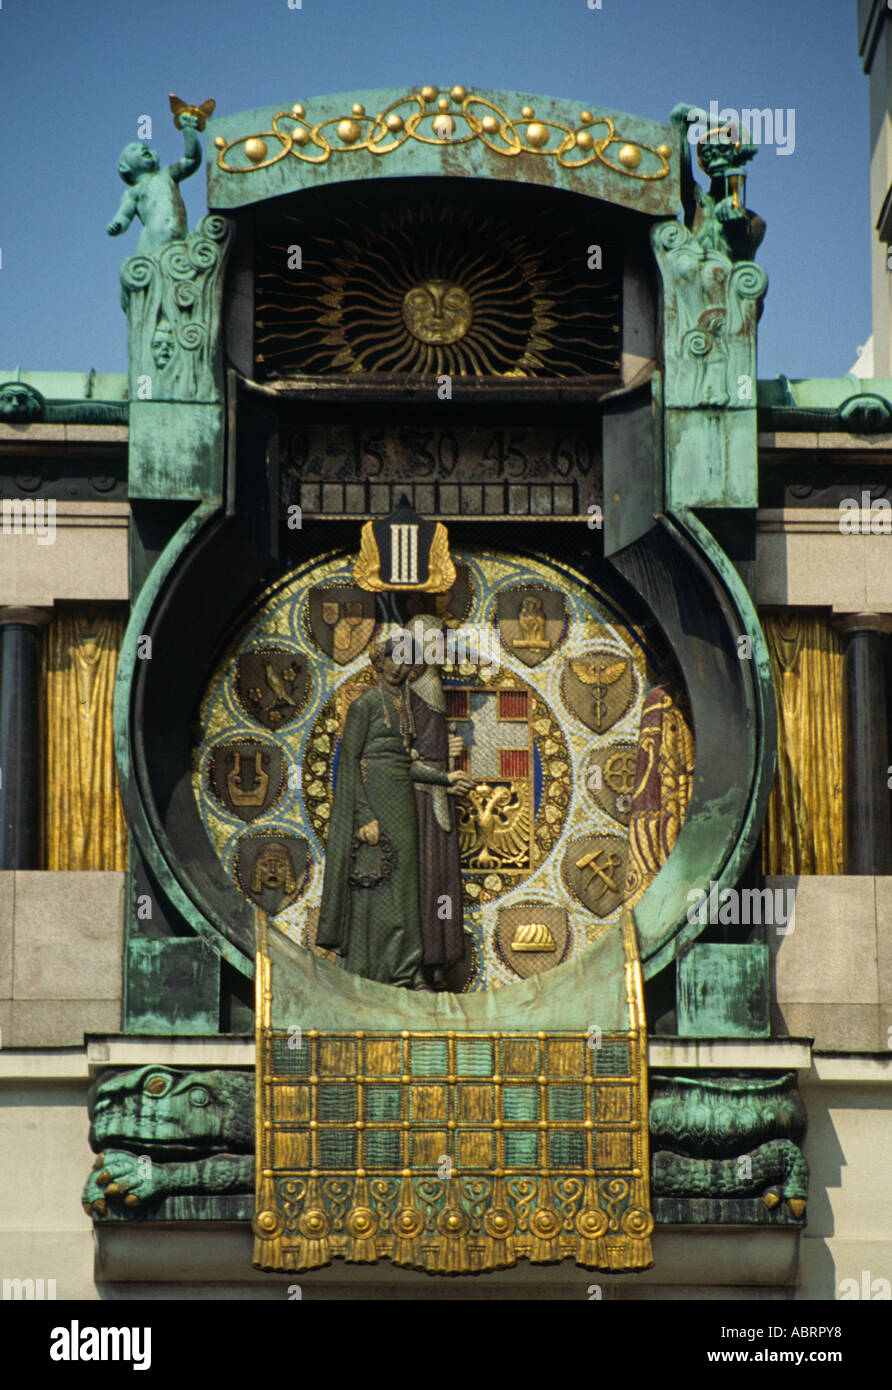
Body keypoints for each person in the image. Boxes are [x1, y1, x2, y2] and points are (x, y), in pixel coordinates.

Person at [316, 638, 469, 988]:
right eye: (393, 659)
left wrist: (444, 778)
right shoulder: (365, 705)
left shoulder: (406, 707)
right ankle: (366, 970)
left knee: (405, 891)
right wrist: (364, 815)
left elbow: (405, 766)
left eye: (407, 661)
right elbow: (350, 764)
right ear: (379, 662)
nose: (400, 668)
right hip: (374, 803)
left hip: (403, 806)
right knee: (372, 887)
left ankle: (406, 970)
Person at [406, 615, 468, 989]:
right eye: (436, 641)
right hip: (420, 799)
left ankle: (438, 960)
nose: (442, 649)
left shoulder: (430, 683)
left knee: (441, 881)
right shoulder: (409, 688)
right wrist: (441, 757)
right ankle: (418, 965)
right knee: (424, 883)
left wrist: (444, 749)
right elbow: (400, 752)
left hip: (437, 796)